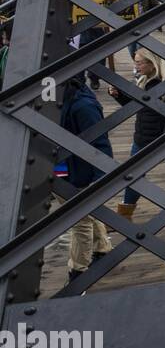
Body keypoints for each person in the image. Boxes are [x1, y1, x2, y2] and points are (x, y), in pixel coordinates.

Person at [111, 50, 165, 221]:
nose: (136, 66)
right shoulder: (145, 80)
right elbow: (137, 106)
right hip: (143, 137)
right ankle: (124, 215)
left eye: (139, 63)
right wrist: (118, 96)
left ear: (152, 63)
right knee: (133, 174)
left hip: (163, 141)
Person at [61, 74, 114, 287]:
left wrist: (99, 181)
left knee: (78, 219)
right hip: (65, 168)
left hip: (78, 172)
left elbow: (100, 144)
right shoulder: (68, 98)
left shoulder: (82, 106)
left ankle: (78, 270)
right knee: (85, 213)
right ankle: (102, 247)